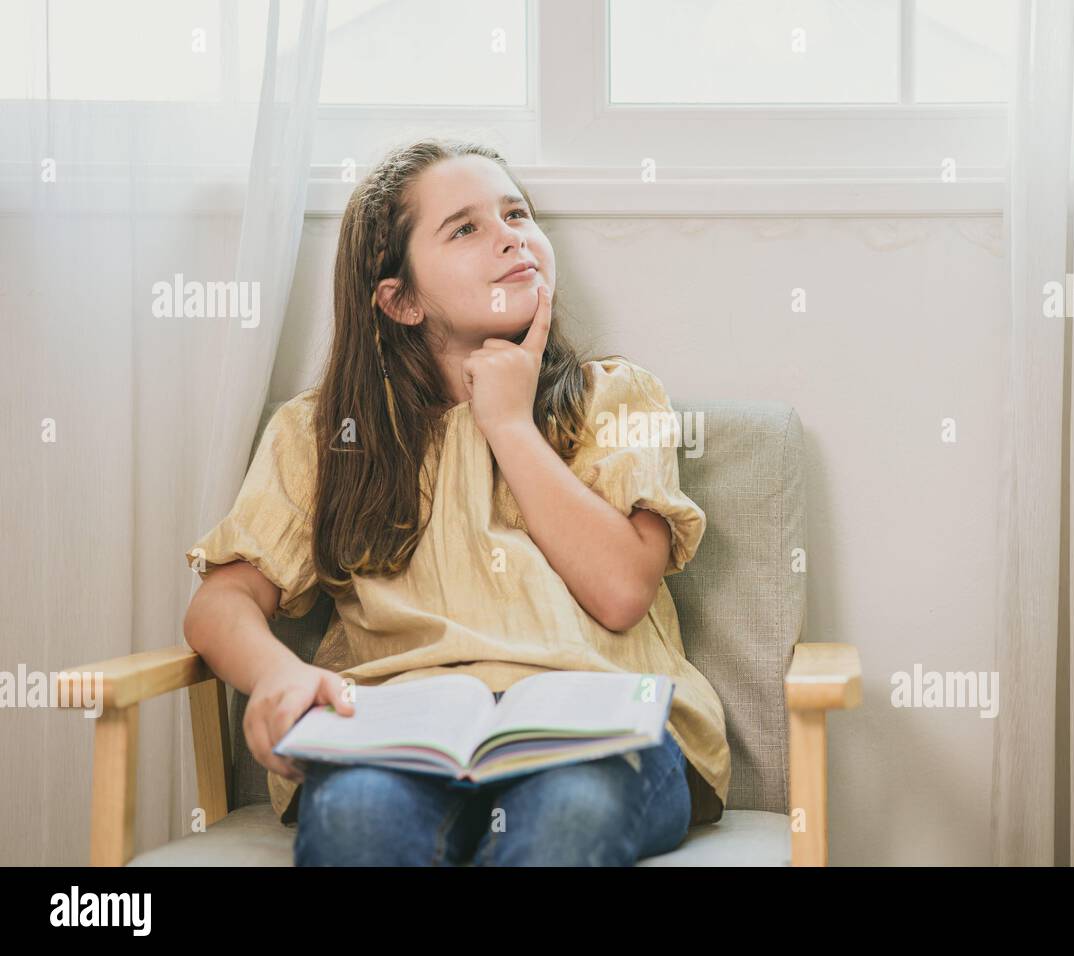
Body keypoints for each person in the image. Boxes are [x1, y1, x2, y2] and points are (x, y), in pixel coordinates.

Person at [181, 138, 731, 866]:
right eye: (465, 228)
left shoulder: (614, 398)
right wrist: (278, 673)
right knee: (359, 826)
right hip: (392, 735)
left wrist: (507, 423)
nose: (511, 235)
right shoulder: (322, 435)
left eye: (516, 212)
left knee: (567, 821)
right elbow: (217, 606)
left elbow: (622, 591)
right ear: (400, 299)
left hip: (595, 731)